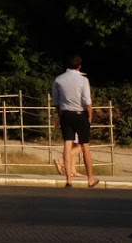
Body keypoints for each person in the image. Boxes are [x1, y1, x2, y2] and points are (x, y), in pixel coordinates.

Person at [51, 55, 99, 188]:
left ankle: (68, 180)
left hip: (66, 114)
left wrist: (60, 116)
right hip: (80, 114)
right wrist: (90, 116)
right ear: (79, 66)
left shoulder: (59, 80)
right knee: (85, 147)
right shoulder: (83, 80)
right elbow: (87, 101)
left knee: (67, 144)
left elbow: (56, 102)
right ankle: (90, 179)